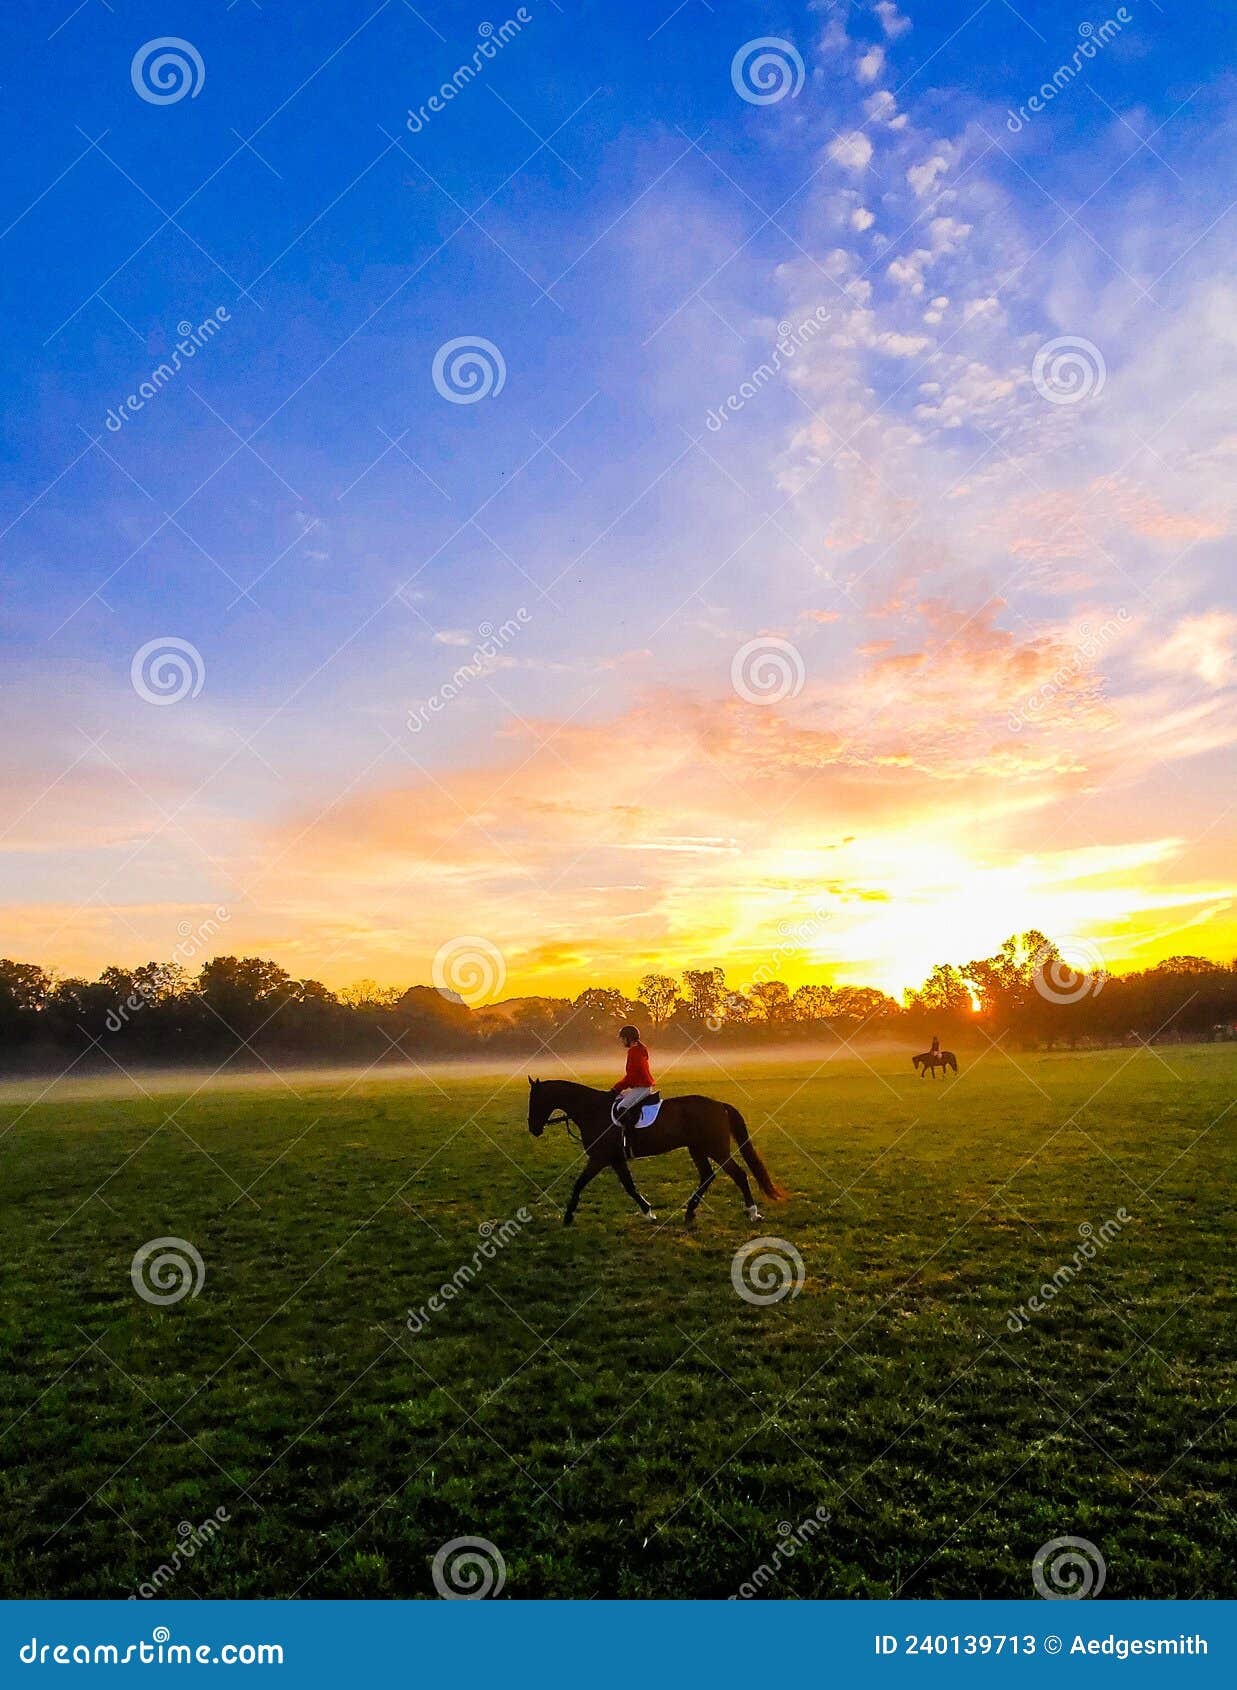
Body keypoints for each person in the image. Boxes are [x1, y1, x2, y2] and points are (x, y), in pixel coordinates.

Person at [611, 1024, 656, 1135]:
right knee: (618, 1098)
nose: (622, 1041)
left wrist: (617, 1088)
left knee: (621, 1107)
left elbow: (631, 1076)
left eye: (623, 1038)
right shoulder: (638, 1050)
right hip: (641, 1087)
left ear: (629, 1038)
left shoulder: (635, 1052)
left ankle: (630, 1136)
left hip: (642, 1088)